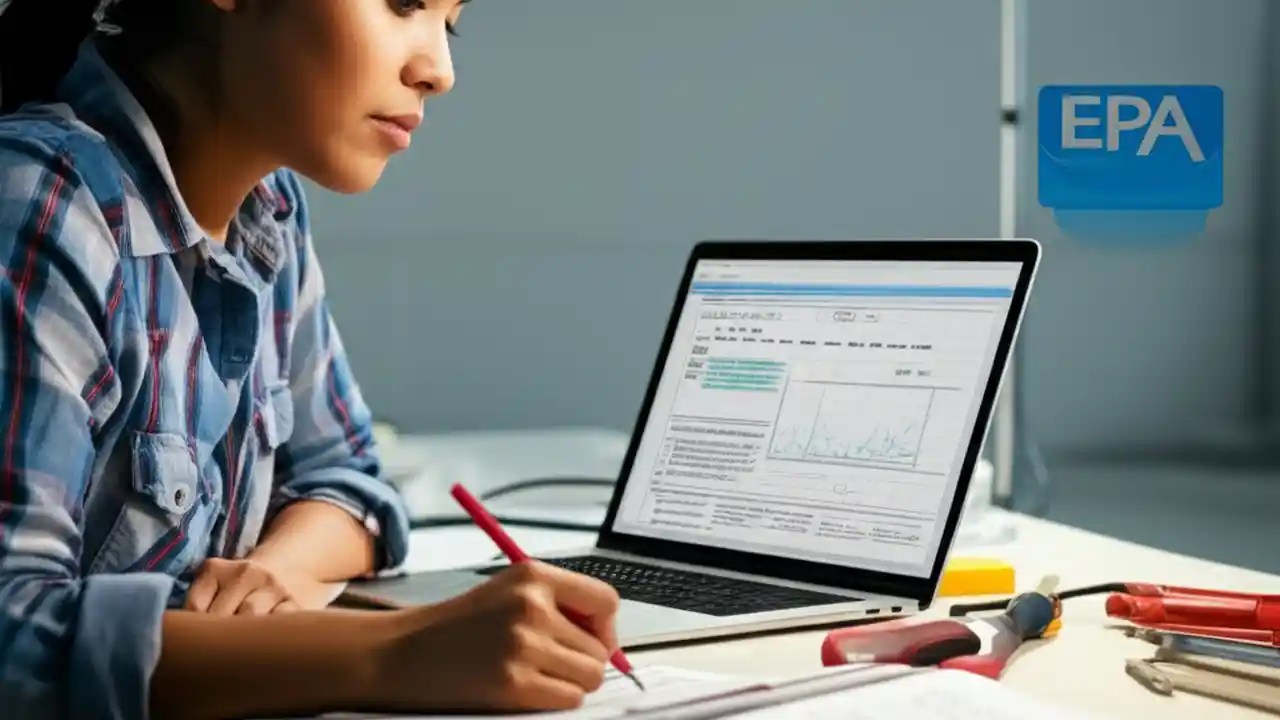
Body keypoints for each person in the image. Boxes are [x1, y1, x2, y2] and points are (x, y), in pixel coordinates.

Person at [0, 1, 624, 718]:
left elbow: (348, 477)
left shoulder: (271, 209)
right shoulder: (37, 204)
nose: (440, 71)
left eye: (449, 24)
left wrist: (273, 575)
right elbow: (13, 635)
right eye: (403, 4)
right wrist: (399, 651)